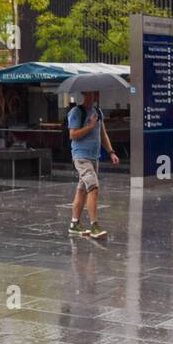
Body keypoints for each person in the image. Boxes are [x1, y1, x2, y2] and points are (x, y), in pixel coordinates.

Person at [67, 92, 121, 239]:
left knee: (82, 190)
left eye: (95, 93)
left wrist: (111, 152)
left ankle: (74, 224)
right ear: (84, 94)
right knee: (94, 188)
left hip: (94, 157)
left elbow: (103, 134)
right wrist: (90, 126)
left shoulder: (98, 112)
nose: (94, 96)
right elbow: (72, 135)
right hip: (81, 157)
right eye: (91, 93)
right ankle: (94, 225)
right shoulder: (76, 112)